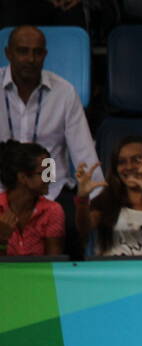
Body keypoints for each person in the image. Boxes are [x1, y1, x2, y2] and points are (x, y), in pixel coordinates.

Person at [0, 25, 99, 258]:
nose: (30, 59)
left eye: (37, 52)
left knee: (73, 226)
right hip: (2, 188)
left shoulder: (64, 93)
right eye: (23, 51)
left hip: (51, 187)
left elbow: (85, 156)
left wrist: (91, 202)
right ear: (8, 53)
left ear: (45, 55)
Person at [75, 136, 142, 257]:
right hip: (110, 273)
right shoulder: (104, 203)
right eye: (122, 162)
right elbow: (84, 229)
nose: (129, 167)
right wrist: (83, 198)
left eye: (136, 160)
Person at [0, 139, 63, 256]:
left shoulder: (53, 210)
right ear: (23, 177)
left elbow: (54, 264)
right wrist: (2, 241)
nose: (50, 179)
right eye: (44, 173)